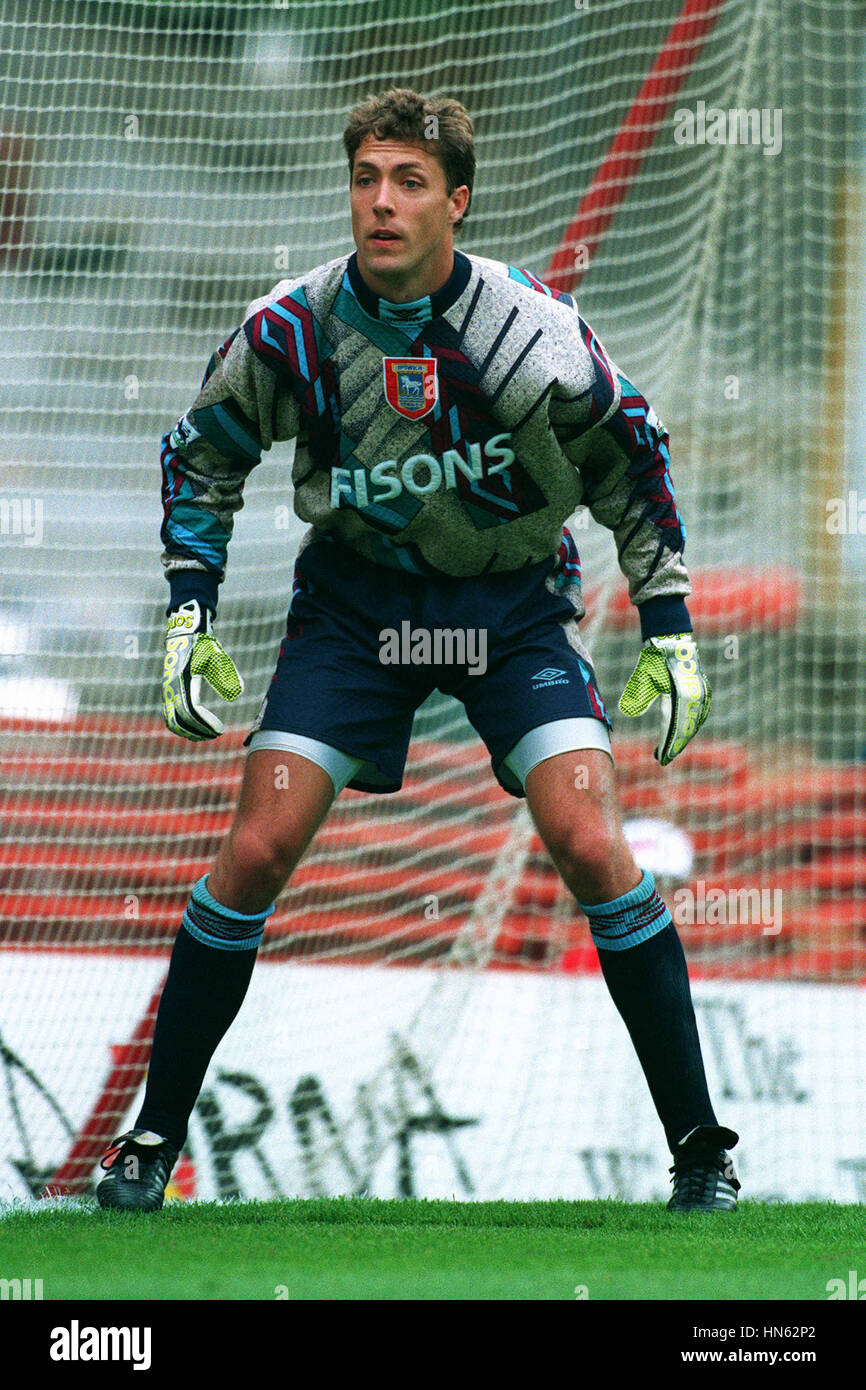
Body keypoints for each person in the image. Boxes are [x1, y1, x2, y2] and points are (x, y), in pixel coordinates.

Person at [97, 88, 739, 1214]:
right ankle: (148, 1145)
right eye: (364, 179)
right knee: (256, 848)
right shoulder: (291, 328)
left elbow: (632, 462)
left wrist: (671, 622)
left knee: (590, 839)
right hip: (355, 613)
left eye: (406, 182)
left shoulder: (527, 334)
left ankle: (701, 1153)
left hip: (513, 612)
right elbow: (200, 455)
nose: (380, 202)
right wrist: (189, 608)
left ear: (457, 202)